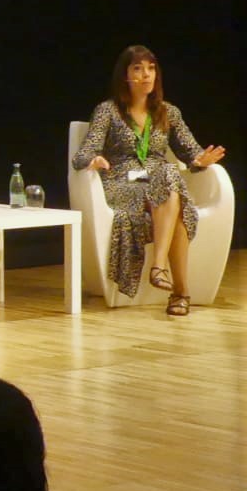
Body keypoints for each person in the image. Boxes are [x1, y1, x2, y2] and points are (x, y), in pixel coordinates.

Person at [71, 45, 225, 316]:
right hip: (122, 182)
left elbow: (191, 150)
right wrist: (93, 160)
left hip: (160, 183)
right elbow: (83, 153)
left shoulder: (168, 113)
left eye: (151, 68)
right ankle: (175, 287)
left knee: (170, 184)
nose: (146, 75)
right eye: (138, 68)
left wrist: (200, 161)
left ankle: (167, 279)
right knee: (172, 184)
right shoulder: (108, 111)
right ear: (125, 76)